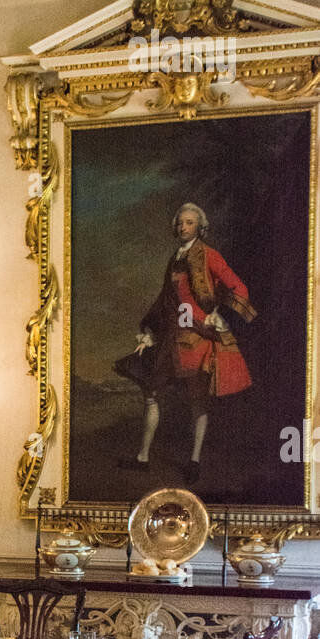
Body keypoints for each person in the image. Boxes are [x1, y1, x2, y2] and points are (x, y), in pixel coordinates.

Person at [115, 201, 257, 484]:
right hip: (172, 335)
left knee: (197, 400)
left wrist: (219, 314)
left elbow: (238, 287)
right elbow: (166, 298)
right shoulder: (174, 257)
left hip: (197, 337)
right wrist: (149, 332)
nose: (183, 227)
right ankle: (142, 457)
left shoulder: (209, 255)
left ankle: (194, 460)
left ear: (200, 227)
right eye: (180, 222)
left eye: (189, 222)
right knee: (151, 392)